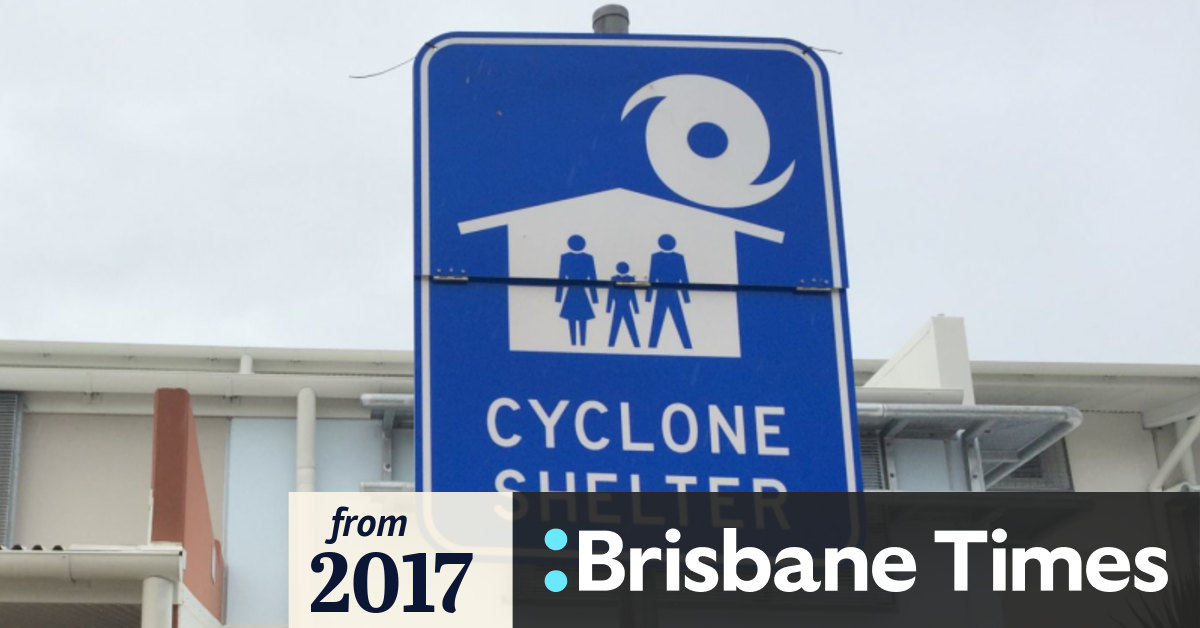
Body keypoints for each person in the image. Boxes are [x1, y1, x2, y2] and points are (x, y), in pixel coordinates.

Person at [645, 234, 692, 349]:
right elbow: (652, 277)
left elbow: (683, 277)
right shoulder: (658, 257)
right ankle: (652, 345)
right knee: (658, 319)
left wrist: (686, 297)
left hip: (669, 292)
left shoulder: (674, 257)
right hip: (665, 291)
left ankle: (687, 345)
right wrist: (649, 296)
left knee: (677, 319)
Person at [554, 234, 599, 346]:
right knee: (572, 318)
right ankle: (574, 342)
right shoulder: (566, 257)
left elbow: (593, 278)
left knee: (580, 318)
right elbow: (561, 277)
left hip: (577, 292)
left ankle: (582, 343)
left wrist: (595, 298)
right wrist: (558, 297)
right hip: (573, 292)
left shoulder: (587, 258)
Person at [606, 261, 640, 347]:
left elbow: (633, 295)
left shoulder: (630, 279)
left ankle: (636, 344)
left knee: (630, 325)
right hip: (618, 305)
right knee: (615, 325)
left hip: (626, 305)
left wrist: (636, 308)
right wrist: (608, 308)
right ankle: (611, 344)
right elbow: (611, 294)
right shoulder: (614, 278)